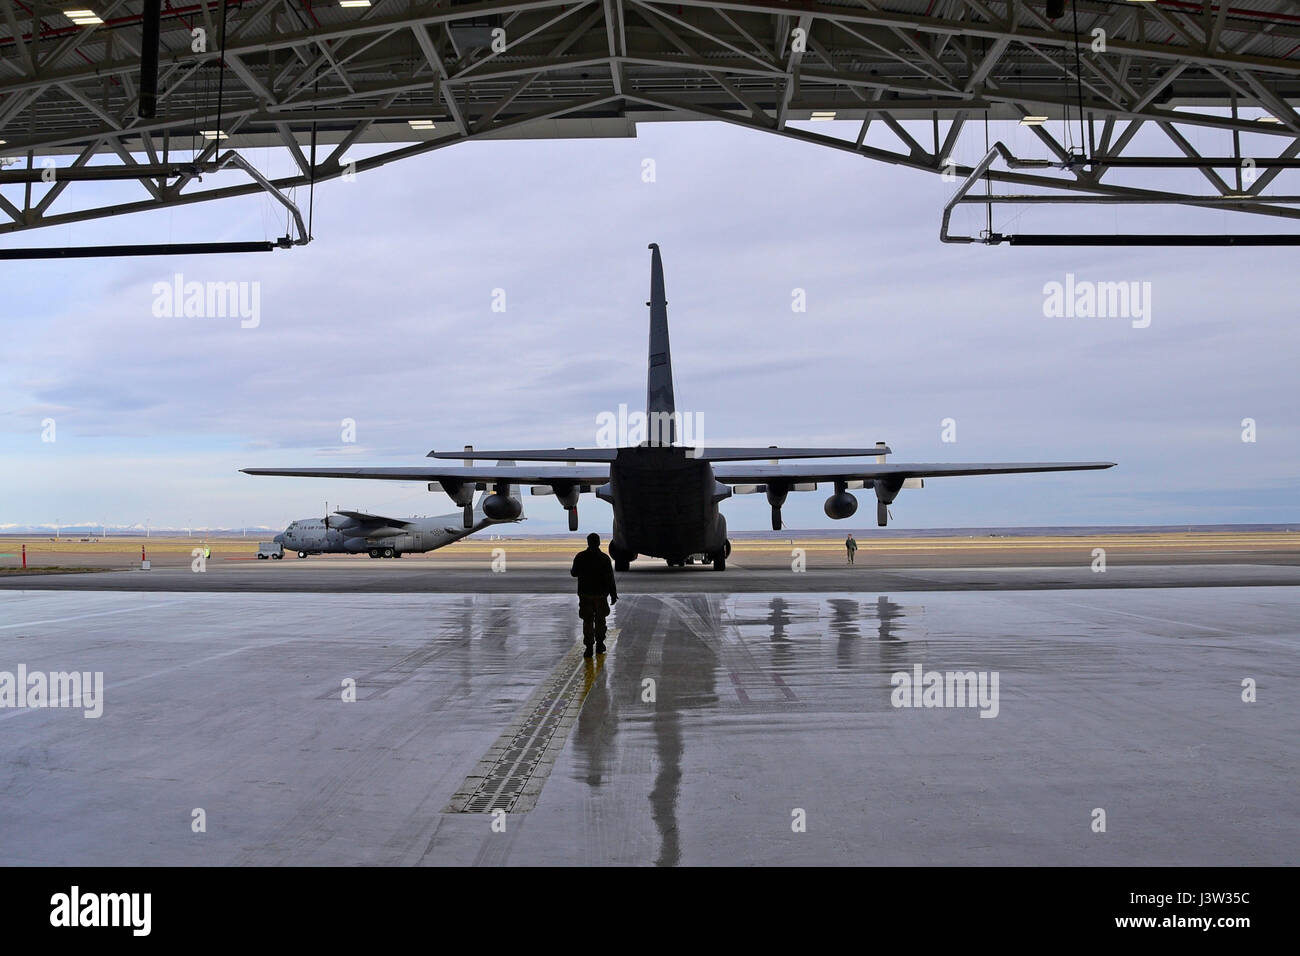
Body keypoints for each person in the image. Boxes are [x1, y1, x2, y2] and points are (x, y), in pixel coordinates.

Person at [571, 532, 618, 657]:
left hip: (585, 595)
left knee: (587, 621)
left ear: (588, 542)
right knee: (600, 620)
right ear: (598, 543)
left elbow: (574, 573)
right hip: (601, 595)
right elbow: (610, 578)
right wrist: (613, 594)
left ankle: (589, 647)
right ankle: (600, 644)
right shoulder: (604, 558)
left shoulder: (580, 557)